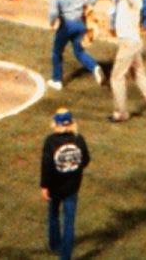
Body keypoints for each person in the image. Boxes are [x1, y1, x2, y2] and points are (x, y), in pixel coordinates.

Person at [38, 107, 89, 260]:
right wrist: (74, 171)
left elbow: (46, 166)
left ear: (55, 123)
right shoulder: (78, 139)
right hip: (72, 187)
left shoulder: (50, 141)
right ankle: (65, 257)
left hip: (55, 187)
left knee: (53, 215)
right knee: (69, 223)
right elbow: (85, 159)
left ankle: (55, 244)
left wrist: (44, 186)